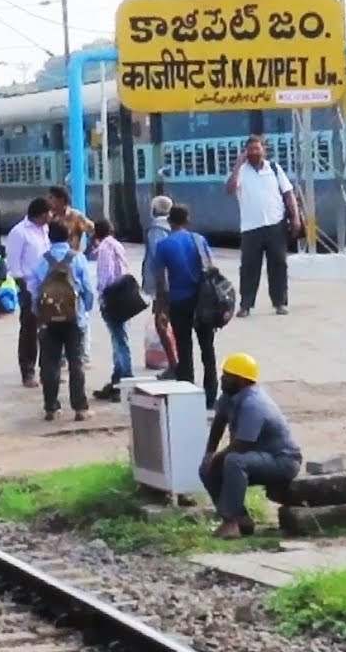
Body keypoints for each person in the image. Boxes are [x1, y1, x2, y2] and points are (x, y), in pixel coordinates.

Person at [199, 353, 302, 539]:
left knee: (233, 461)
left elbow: (244, 444)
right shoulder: (228, 397)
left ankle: (230, 522)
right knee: (208, 466)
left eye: (228, 375)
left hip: (282, 460)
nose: (223, 378)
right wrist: (210, 454)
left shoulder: (253, 403)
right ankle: (241, 519)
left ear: (242, 380)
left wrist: (218, 457)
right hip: (258, 457)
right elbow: (218, 424)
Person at [225, 135, 302, 317]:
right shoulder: (241, 171)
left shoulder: (274, 169)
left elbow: (288, 194)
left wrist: (296, 217)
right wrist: (237, 165)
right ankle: (246, 305)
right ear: (246, 152)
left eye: (257, 148)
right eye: (250, 150)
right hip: (251, 228)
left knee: (278, 265)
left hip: (276, 225)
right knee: (249, 267)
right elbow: (230, 189)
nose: (254, 152)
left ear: (263, 150)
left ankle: (280, 303)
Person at [27, 220, 94, 421]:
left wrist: (39, 314)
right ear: (68, 237)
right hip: (74, 319)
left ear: (49, 238)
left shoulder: (42, 260)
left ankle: (51, 407)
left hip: (49, 320)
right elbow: (88, 290)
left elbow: (33, 291)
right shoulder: (78, 259)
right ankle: (80, 408)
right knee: (76, 363)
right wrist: (84, 311)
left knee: (49, 363)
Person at [153, 204, 218, 407]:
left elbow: (161, 281)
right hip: (202, 303)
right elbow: (212, 269)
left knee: (184, 348)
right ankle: (210, 396)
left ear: (170, 222)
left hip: (179, 302)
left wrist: (161, 307)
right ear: (187, 220)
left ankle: (187, 394)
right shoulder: (199, 240)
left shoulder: (163, 246)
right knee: (207, 348)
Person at [5, 198, 52, 388]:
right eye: (48, 213)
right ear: (40, 214)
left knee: (49, 331)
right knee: (29, 331)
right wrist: (24, 287)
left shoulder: (46, 230)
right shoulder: (19, 233)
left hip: (48, 286)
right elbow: (14, 264)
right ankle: (28, 371)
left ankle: (48, 370)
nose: (51, 216)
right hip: (28, 287)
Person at [46, 185, 95, 366]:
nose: (49, 202)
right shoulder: (50, 218)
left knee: (79, 310)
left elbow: (92, 229)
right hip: (54, 265)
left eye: (52, 198)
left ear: (61, 199)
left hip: (73, 263)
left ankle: (83, 353)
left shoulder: (75, 216)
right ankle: (63, 356)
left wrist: (88, 250)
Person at [93, 219, 132, 402]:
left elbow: (105, 276)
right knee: (120, 338)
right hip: (125, 296)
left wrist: (102, 296)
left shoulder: (103, 249)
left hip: (112, 298)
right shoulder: (117, 245)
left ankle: (125, 380)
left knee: (119, 341)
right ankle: (117, 380)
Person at [142, 195, 179, 371]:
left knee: (161, 322)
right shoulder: (174, 228)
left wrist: (159, 291)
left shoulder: (156, 228)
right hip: (175, 282)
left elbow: (158, 259)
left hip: (162, 285)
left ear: (154, 210)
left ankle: (171, 361)